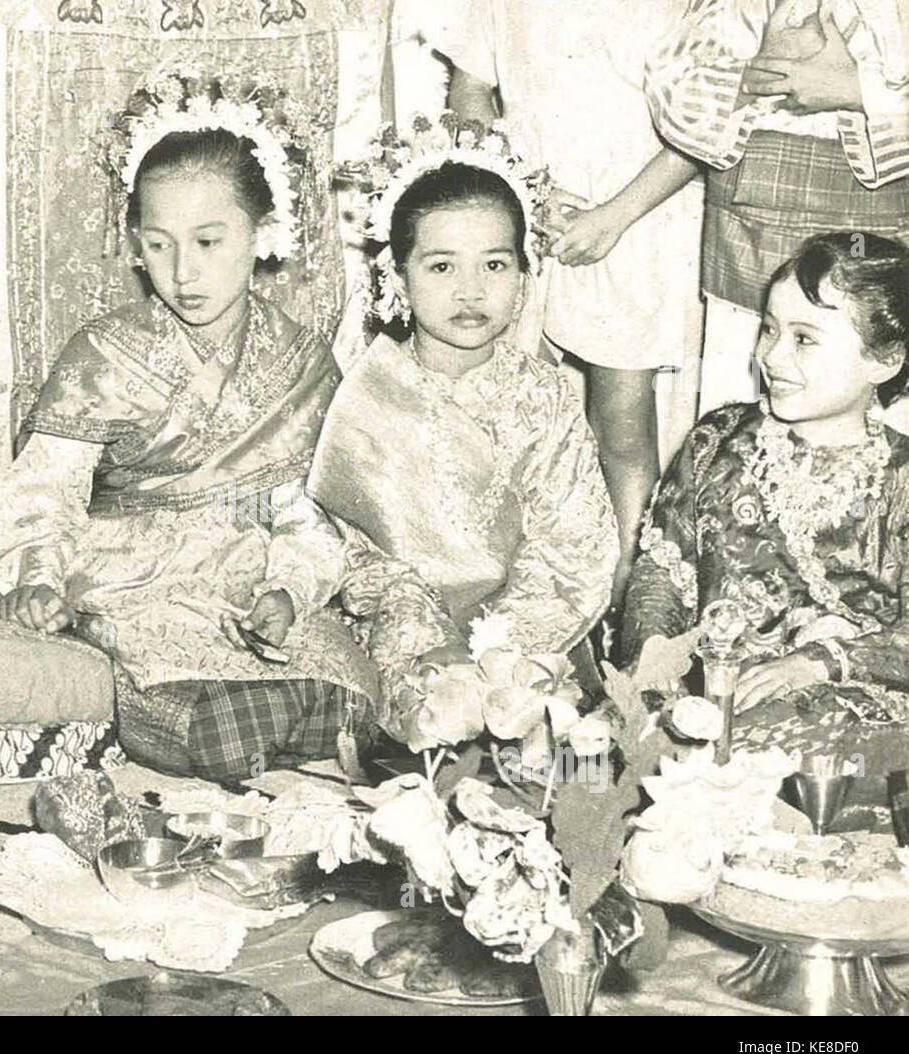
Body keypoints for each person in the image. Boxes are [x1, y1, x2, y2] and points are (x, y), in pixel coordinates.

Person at [0, 71, 378, 785]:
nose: (183, 272)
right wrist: (37, 575)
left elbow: (314, 512)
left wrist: (287, 590)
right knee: (190, 692)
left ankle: (271, 712)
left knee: (350, 699)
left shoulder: (302, 361)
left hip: (253, 569)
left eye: (208, 241)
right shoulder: (103, 352)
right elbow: (44, 489)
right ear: (135, 241)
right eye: (158, 246)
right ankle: (199, 720)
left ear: (264, 233)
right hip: (138, 572)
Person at [308, 119, 618, 735]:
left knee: (560, 746)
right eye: (442, 267)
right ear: (396, 279)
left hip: (531, 633)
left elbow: (573, 546)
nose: (471, 290)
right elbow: (355, 553)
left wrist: (500, 647)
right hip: (409, 631)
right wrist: (428, 640)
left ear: (525, 277)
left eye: (495, 265)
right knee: (440, 720)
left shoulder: (544, 394)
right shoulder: (367, 395)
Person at [421, 0, 704, 606]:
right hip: (529, 211)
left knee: (622, 425)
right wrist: (520, 188)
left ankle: (630, 604)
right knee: (502, 409)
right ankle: (502, 593)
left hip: (636, 219)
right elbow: (471, 92)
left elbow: (706, 130)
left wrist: (612, 218)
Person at [621, 233, 909, 765]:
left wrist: (818, 662)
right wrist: (654, 684)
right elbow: (659, 581)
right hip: (705, 693)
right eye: (770, 329)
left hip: (850, 712)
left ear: (885, 360)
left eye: (804, 339)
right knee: (586, 758)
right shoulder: (718, 440)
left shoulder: (901, 479)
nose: (770, 355)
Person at [646, 0, 909, 417]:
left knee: (874, 404)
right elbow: (672, 94)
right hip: (749, 246)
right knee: (743, 410)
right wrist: (756, 76)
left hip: (869, 240)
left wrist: (856, 90)